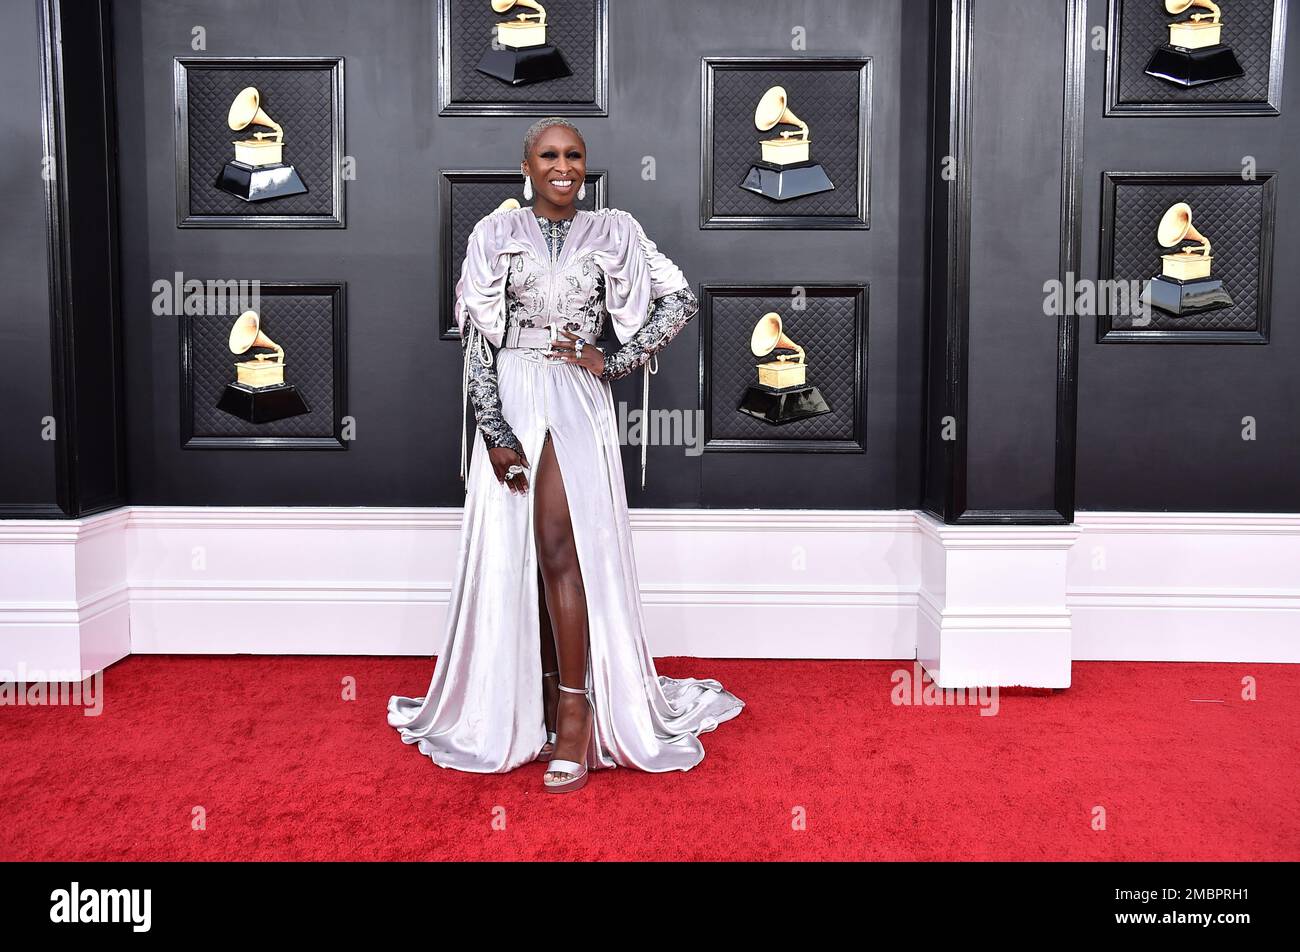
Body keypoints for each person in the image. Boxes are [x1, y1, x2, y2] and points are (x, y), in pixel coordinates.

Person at [387, 117, 744, 793]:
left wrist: (612, 359)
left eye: (573, 155)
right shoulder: (493, 234)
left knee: (559, 543)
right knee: (520, 554)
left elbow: (680, 298)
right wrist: (493, 430)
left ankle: (576, 711)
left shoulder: (617, 230)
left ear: (586, 165)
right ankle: (541, 700)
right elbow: (479, 342)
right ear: (527, 165)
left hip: (577, 397)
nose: (563, 165)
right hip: (516, 392)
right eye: (549, 155)